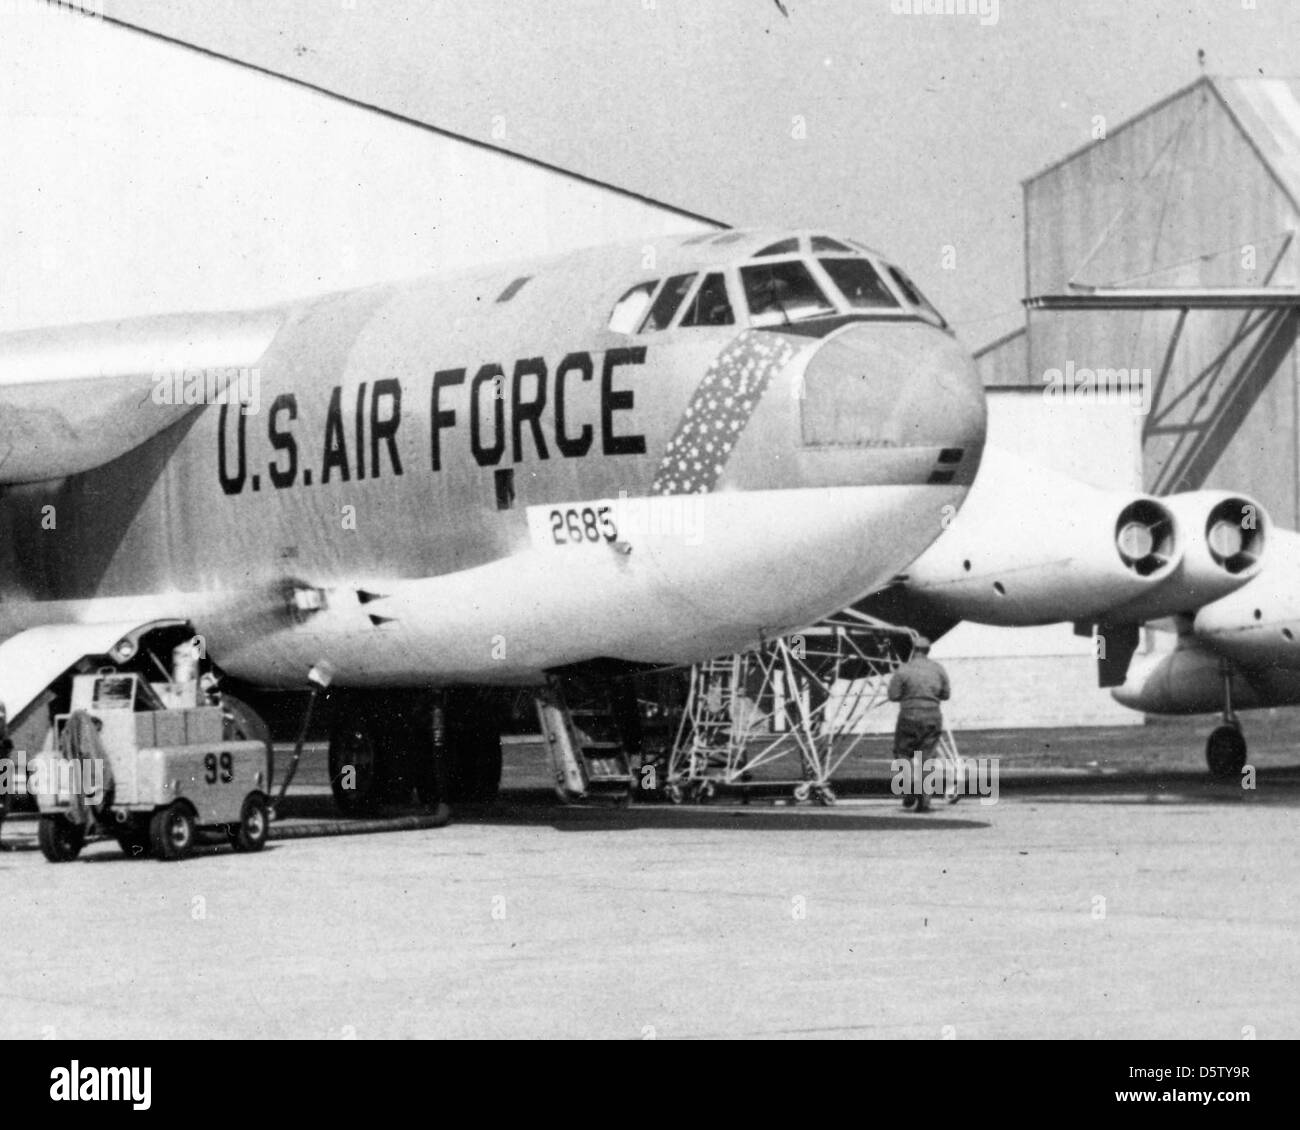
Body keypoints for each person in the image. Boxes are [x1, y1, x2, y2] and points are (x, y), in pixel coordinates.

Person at [886, 636, 950, 812]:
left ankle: (908, 791)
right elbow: (946, 695)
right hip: (932, 716)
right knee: (927, 758)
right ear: (928, 650)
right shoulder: (938, 669)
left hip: (909, 715)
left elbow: (893, 696)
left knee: (902, 753)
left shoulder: (903, 670)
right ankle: (925, 801)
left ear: (913, 649)